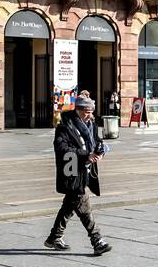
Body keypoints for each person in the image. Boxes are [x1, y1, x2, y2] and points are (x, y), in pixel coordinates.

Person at [46, 92, 111, 255]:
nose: (89, 115)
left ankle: (54, 237)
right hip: (72, 170)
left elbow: (96, 141)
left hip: (86, 169)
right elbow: (61, 149)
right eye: (86, 111)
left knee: (70, 204)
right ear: (78, 110)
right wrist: (85, 154)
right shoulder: (65, 126)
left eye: (91, 111)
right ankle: (97, 240)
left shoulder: (91, 124)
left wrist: (101, 150)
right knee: (83, 204)